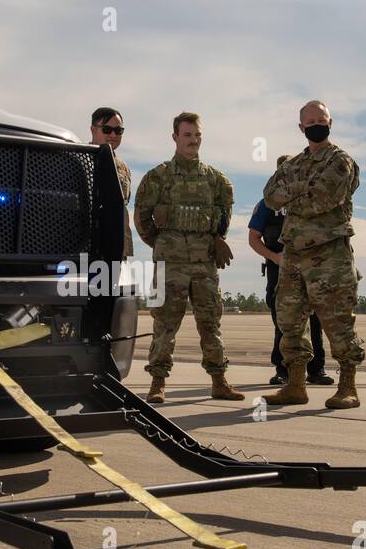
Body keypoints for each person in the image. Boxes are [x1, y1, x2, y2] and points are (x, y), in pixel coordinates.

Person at [133, 112, 243, 404]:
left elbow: (223, 218)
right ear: (175, 137)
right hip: (170, 263)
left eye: (197, 135)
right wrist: (163, 243)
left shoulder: (217, 180)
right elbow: (142, 220)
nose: (193, 141)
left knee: (210, 322)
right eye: (187, 135)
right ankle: (157, 383)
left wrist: (217, 240)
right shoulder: (157, 177)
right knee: (165, 323)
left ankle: (219, 381)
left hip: (204, 263)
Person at [263, 100, 365, 409]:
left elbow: (323, 200)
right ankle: (295, 385)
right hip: (294, 255)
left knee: (338, 322)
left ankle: (348, 386)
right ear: (301, 128)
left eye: (321, 120)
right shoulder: (292, 163)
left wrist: (293, 194)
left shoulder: (341, 161)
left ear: (330, 123)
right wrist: (305, 188)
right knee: (289, 322)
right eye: (310, 122)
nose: (315, 125)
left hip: (329, 255)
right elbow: (270, 196)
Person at [247, 168, 333, 386]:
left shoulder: (311, 201)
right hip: (279, 269)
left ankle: (316, 370)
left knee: (314, 319)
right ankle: (283, 370)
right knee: (282, 321)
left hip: (310, 269)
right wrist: (274, 257)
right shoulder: (267, 204)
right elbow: (254, 238)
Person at [90, 106, 133, 259]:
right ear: (93, 130)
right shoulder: (82, 160)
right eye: (107, 130)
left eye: (119, 130)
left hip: (118, 248)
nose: (113, 135)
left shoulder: (123, 167)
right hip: (89, 247)